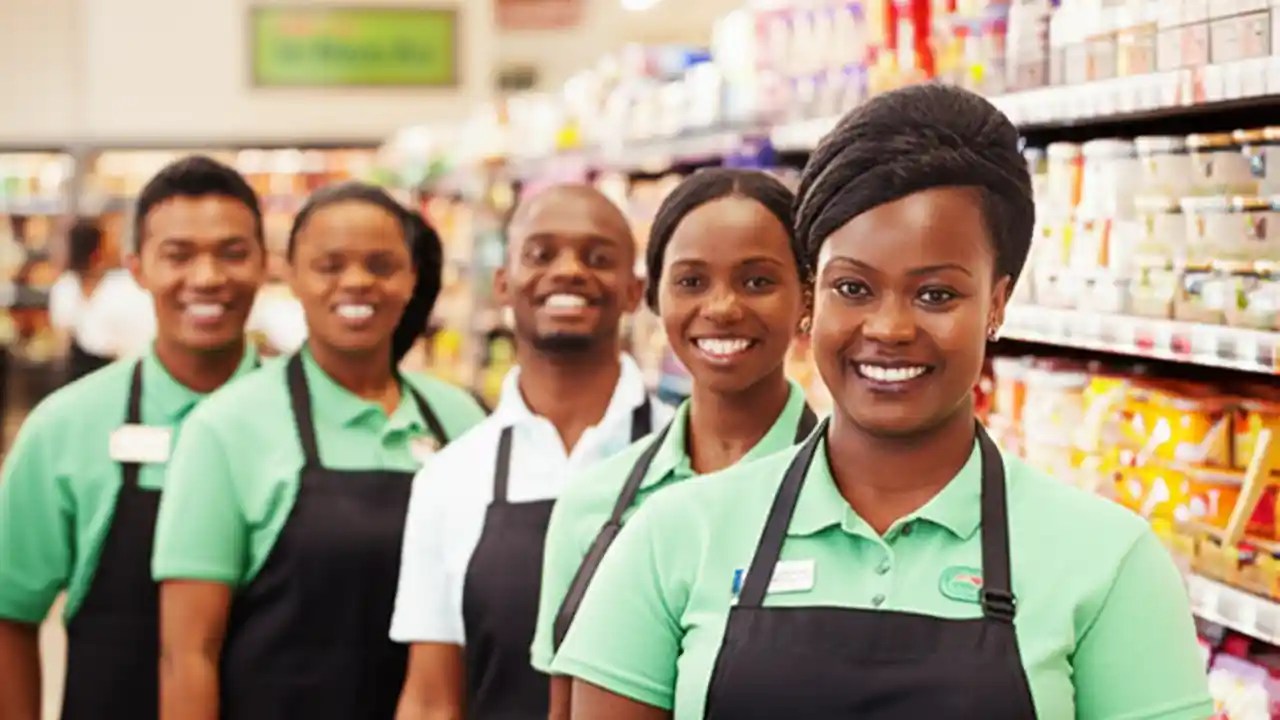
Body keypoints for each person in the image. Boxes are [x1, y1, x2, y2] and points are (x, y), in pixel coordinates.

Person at [550, 85, 1213, 719]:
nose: (890, 328)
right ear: (812, 296)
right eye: (853, 289)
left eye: (935, 294)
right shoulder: (671, 539)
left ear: (997, 302)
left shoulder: (1109, 563)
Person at [151, 182, 487, 720]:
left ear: (412, 278)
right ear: (291, 277)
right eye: (329, 265)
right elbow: (188, 656)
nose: (356, 282)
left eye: (381, 265)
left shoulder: (460, 420)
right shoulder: (226, 427)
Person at [531, 169, 819, 718]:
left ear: (806, 296)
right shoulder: (593, 507)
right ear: (654, 297)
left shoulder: (854, 496)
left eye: (757, 281)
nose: (722, 307)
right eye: (691, 281)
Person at [0, 155, 269, 720]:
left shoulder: (304, 416)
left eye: (232, 253)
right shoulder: (66, 427)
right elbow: (10, 613)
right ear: (137, 268)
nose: (207, 277)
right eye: (178, 255)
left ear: (264, 263)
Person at [389, 184, 671, 720]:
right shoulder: (449, 479)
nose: (569, 271)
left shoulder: (686, 454)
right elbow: (430, 700)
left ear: (635, 291)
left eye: (598, 258)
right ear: (502, 283)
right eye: (541, 254)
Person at [48, 217, 154, 381]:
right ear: (97, 252)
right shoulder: (66, 286)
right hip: (81, 374)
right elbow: (62, 342)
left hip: (120, 372)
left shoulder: (124, 286)